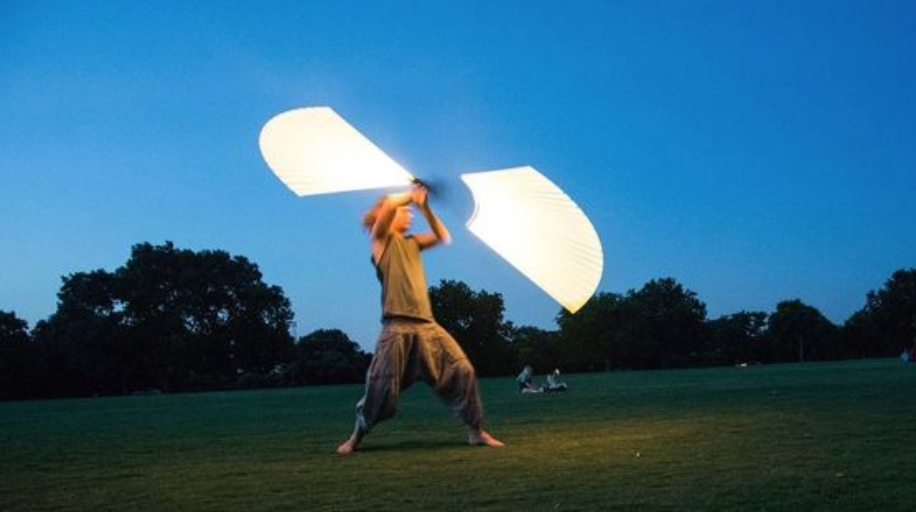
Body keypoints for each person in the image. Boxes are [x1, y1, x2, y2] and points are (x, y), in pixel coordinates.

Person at [337, 183, 503, 454]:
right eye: (407, 211)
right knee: (381, 390)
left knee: (463, 371)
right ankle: (355, 438)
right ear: (389, 215)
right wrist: (410, 194)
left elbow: (443, 236)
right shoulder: (381, 242)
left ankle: (476, 432)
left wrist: (424, 205)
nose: (410, 214)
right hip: (396, 327)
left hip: (427, 326)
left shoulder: (413, 243)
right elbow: (390, 203)